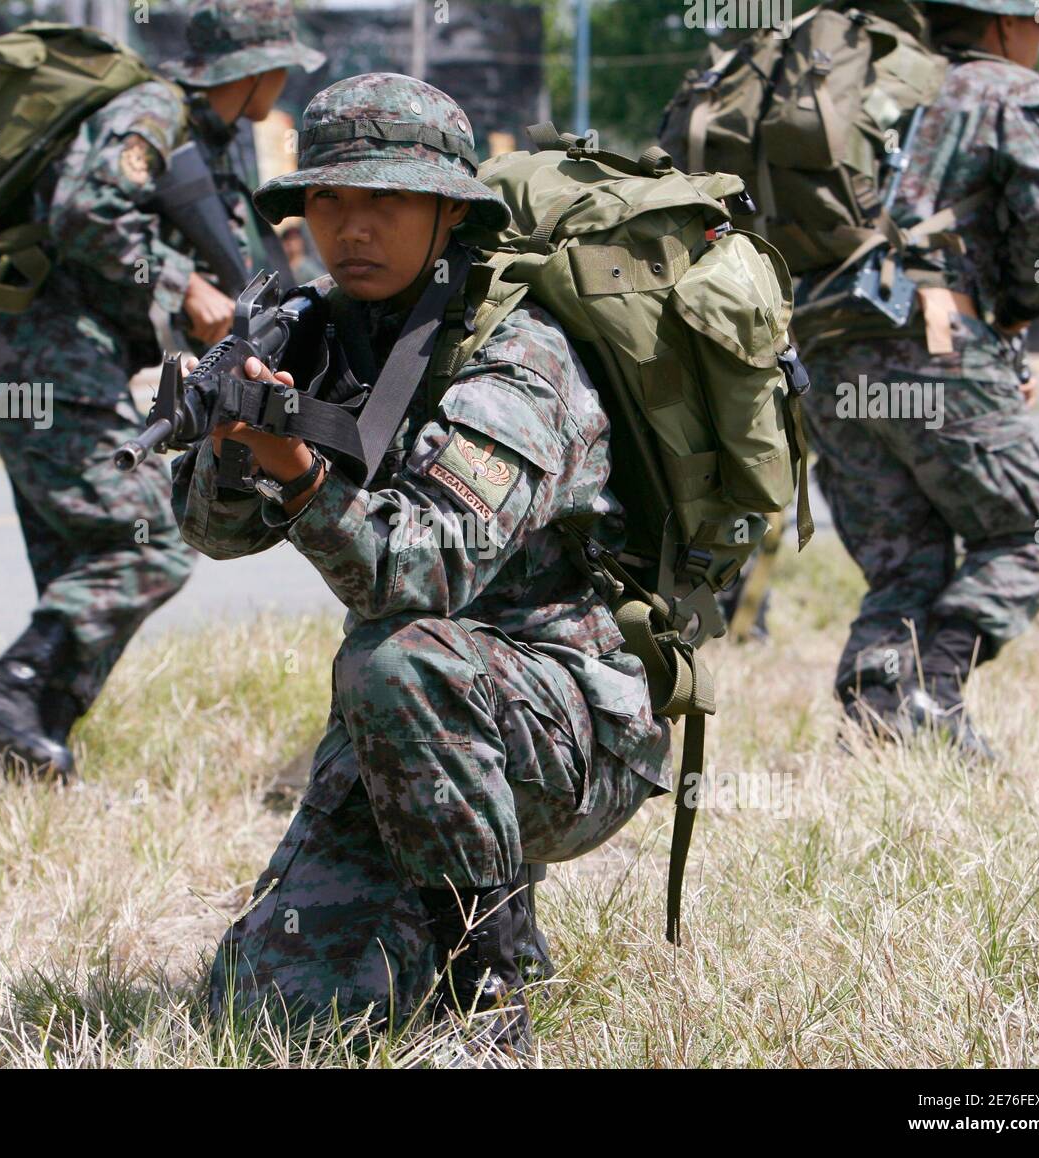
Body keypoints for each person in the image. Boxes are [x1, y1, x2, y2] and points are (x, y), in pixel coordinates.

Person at [170, 73, 670, 1056]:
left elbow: (419, 580)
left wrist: (297, 468)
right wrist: (234, 438)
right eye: (328, 201)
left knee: (393, 656)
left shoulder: (518, 362)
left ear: (449, 213)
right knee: (260, 1005)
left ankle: (488, 999)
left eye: (384, 201)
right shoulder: (318, 335)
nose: (351, 227)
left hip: (564, 728)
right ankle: (445, 913)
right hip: (406, 737)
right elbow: (216, 537)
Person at [0, 0, 324, 781]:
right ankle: (7, 684)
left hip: (61, 363)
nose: (283, 84)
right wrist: (185, 288)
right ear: (248, 69)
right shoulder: (151, 110)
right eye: (279, 67)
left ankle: (32, 743)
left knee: (84, 560)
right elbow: (85, 210)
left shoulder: (212, 144)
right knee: (152, 542)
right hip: (46, 362)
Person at [798, 0, 1039, 758]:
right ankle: (938, 688)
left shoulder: (872, 89)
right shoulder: (1008, 91)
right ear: (1000, 24)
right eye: (1037, 24)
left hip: (828, 346)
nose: (1038, 39)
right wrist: (1028, 307)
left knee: (903, 556)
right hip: (935, 340)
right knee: (1034, 529)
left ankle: (878, 714)